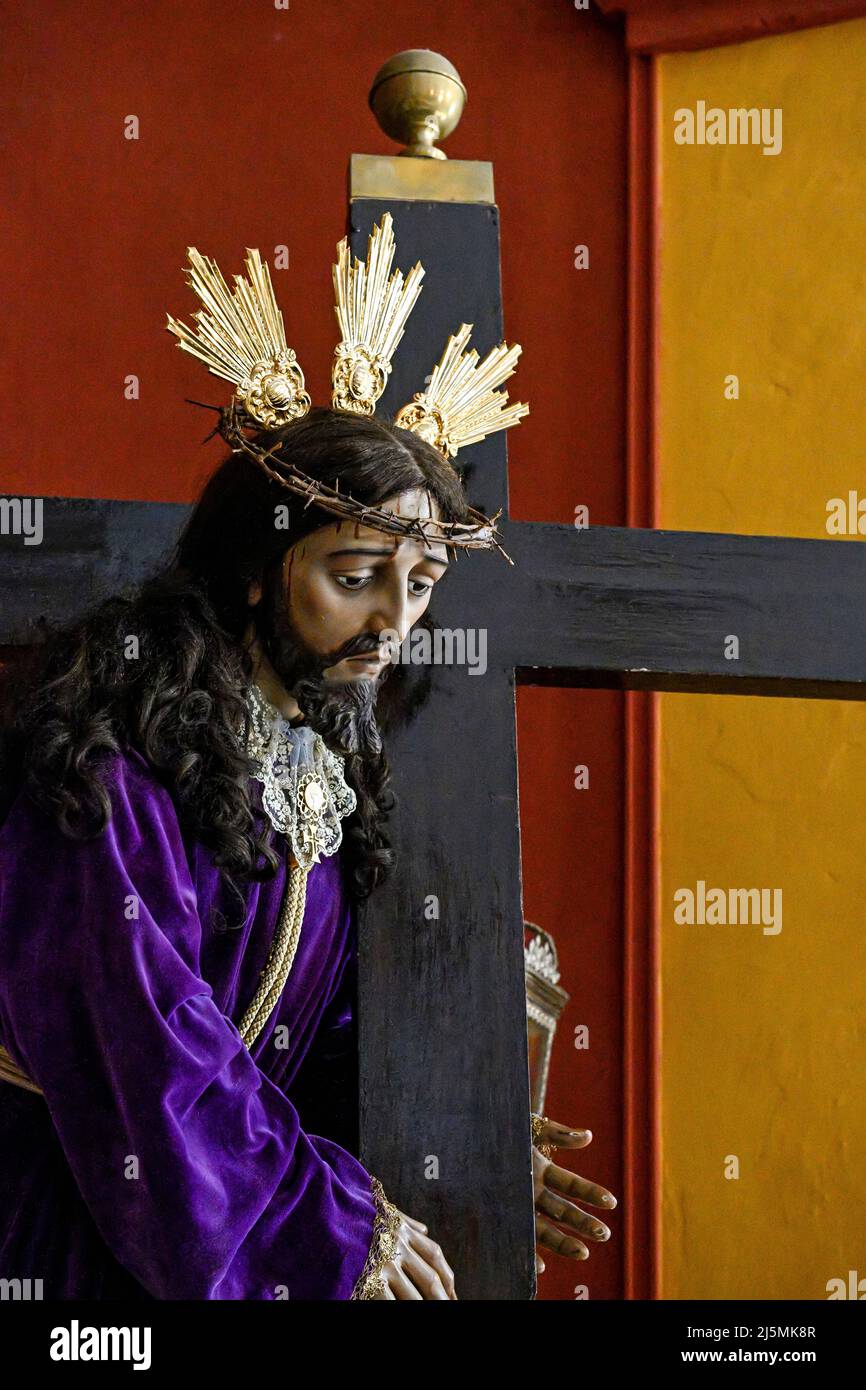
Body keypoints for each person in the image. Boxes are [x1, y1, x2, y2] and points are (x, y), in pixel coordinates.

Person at [0, 225, 615, 1300]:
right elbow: (150, 1053)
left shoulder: (317, 791)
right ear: (252, 569)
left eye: (419, 580)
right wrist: (316, 1223)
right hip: (59, 1228)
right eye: (355, 573)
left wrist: (465, 1136)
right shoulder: (112, 774)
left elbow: (323, 1052)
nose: (393, 620)